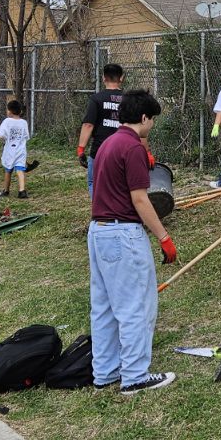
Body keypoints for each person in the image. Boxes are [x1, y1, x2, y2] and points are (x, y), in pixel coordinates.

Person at [88, 89, 178, 395]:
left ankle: (105, 372)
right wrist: (164, 238)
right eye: (152, 120)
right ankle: (135, 376)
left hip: (98, 232)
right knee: (136, 305)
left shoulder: (107, 144)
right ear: (144, 117)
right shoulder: (133, 148)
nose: (152, 125)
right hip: (122, 234)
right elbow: (140, 199)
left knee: (103, 307)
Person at [77, 63, 124, 194]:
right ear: (121, 78)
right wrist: (146, 152)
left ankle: (101, 212)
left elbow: (88, 125)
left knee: (94, 182)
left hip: (99, 150)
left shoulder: (96, 99)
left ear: (103, 78)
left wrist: (81, 149)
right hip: (123, 150)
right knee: (120, 185)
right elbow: (138, 127)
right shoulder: (128, 99)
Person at [0, 99, 30, 199]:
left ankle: (6, 190)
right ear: (20, 111)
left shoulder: (6, 121)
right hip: (21, 150)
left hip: (10, 150)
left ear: (9, 111)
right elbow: (26, 136)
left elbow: (2, 136)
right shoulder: (24, 122)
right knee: (20, 170)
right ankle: (22, 191)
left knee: (8, 170)